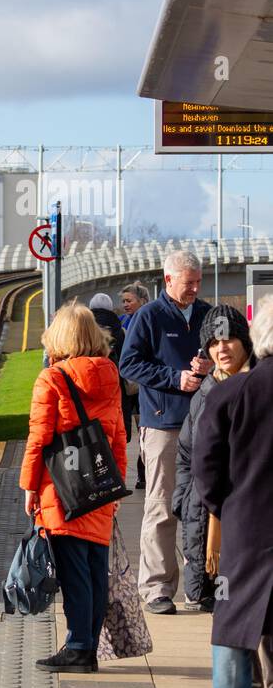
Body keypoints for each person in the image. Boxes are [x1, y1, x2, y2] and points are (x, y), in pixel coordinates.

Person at [21, 304, 127, 673]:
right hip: (100, 481)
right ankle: (89, 645)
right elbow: (118, 436)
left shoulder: (51, 379)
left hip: (61, 487)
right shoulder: (110, 374)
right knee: (94, 569)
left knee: (74, 572)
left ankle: (79, 647)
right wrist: (117, 485)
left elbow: (38, 440)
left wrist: (29, 488)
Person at [191, 295, 273, 688]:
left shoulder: (228, 393)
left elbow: (205, 467)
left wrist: (224, 506)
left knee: (232, 621)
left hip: (244, 525)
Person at [118, 250, 212, 614]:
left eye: (198, 282)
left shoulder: (207, 314)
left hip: (206, 422)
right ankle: (157, 587)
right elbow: (129, 363)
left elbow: (231, 353)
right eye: (188, 282)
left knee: (203, 507)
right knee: (162, 506)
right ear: (168, 279)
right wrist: (175, 378)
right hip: (163, 424)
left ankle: (200, 585)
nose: (194, 288)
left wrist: (209, 364)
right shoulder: (148, 316)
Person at [172, 305, 252, 614]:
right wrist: (182, 498)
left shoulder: (257, 388)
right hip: (202, 515)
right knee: (215, 609)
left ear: (245, 341)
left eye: (229, 339)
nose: (222, 349)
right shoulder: (205, 392)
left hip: (243, 515)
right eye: (214, 343)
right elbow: (185, 452)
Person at [120, 282, 152, 488]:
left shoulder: (150, 321)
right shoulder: (122, 321)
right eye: (123, 301)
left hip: (141, 385)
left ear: (142, 301)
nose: (125, 305)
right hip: (126, 384)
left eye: (129, 301)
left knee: (144, 431)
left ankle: (143, 474)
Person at [88, 293, 125, 364]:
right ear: (110, 307)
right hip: (112, 370)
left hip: (89, 369)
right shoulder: (119, 329)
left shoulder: (85, 326)